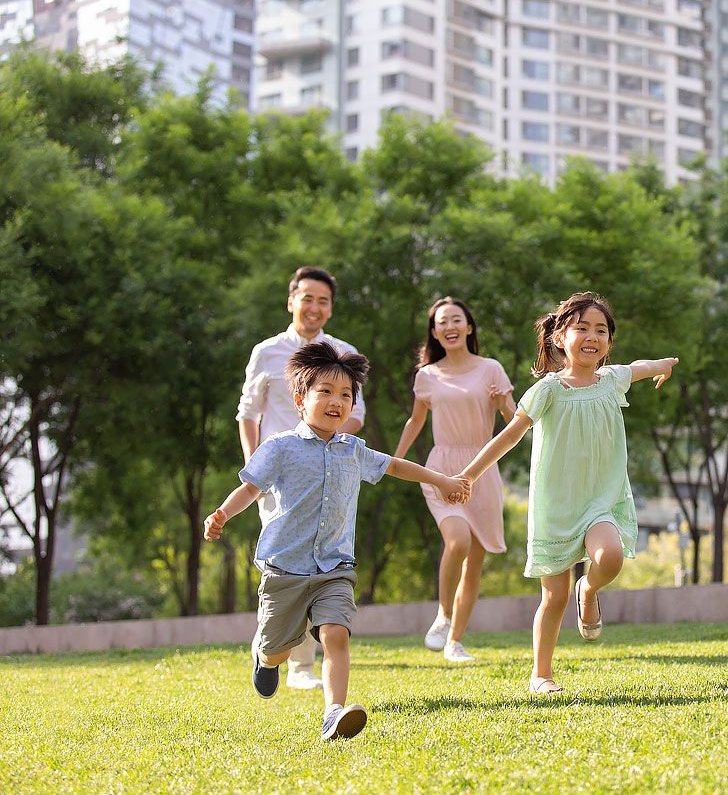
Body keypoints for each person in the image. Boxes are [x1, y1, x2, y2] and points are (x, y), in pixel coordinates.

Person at [204, 342, 469, 741]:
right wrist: (223, 513)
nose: (336, 401)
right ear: (299, 400)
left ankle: (334, 712)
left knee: (335, 635)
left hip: (334, 567)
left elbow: (395, 466)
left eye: (346, 395)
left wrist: (442, 480)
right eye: (325, 391)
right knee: (278, 650)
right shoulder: (279, 447)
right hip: (285, 570)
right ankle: (265, 655)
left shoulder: (353, 450)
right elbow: (250, 487)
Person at [457, 292, 678, 695]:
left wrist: (666, 364)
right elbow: (508, 437)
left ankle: (589, 589)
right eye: (581, 328)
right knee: (553, 595)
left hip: (601, 500)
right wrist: (469, 475)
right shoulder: (548, 390)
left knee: (609, 556)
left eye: (601, 330)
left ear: (609, 342)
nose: (592, 336)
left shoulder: (612, 381)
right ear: (560, 337)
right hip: (556, 506)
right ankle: (541, 675)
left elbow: (640, 367)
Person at [236, 266, 363, 690]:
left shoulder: (341, 353)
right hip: (274, 478)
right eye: (306, 298)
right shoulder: (266, 352)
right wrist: (256, 472)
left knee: (322, 557)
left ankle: (302, 668)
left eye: (322, 300)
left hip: (325, 473)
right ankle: (272, 647)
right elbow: (248, 414)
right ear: (291, 301)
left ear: (330, 308)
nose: (314, 307)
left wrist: (326, 448)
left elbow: (355, 416)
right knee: (285, 564)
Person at [393, 297, 516, 664]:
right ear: (434, 332)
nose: (449, 327)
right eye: (442, 322)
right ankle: (443, 614)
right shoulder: (427, 375)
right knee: (457, 540)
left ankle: (455, 641)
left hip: (482, 467)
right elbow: (416, 421)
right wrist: (394, 460)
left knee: (474, 561)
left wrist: (503, 403)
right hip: (442, 468)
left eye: (456, 320)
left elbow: (515, 422)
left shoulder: (491, 369)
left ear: (469, 327)